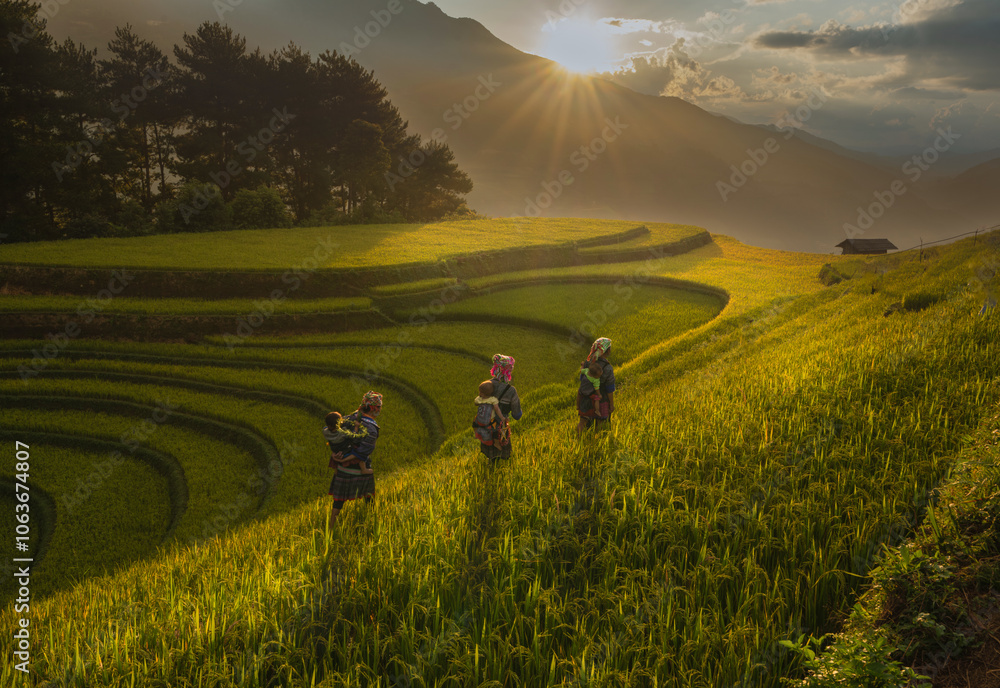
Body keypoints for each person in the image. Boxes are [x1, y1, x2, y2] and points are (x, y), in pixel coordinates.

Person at [327, 391, 382, 529]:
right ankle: (372, 523)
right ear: (374, 408)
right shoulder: (371, 428)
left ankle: (330, 527)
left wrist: (336, 456)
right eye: (379, 407)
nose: (380, 410)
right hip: (358, 467)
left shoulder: (348, 418)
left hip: (342, 467)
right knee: (369, 497)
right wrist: (341, 458)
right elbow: (362, 452)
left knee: (338, 501)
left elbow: (332, 433)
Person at [481, 354, 522, 462]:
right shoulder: (511, 391)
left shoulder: (487, 385)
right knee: (504, 457)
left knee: (491, 458)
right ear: (508, 371)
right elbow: (517, 415)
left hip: (487, 425)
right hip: (501, 428)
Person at [577, 337, 615, 434]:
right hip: (601, 399)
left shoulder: (588, 362)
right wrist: (611, 404)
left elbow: (582, 379)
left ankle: (577, 439)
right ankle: (597, 442)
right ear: (607, 351)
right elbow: (609, 389)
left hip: (585, 398)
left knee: (583, 421)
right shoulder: (608, 368)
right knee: (601, 422)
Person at [473, 380, 510, 450]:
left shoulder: (479, 399)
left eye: (480, 392)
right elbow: (497, 410)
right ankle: (496, 443)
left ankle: (476, 433)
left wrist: (480, 399)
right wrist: (502, 418)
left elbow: (476, 403)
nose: (479, 393)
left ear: (484, 393)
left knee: (474, 424)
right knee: (496, 430)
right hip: (490, 420)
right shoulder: (493, 400)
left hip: (479, 419)